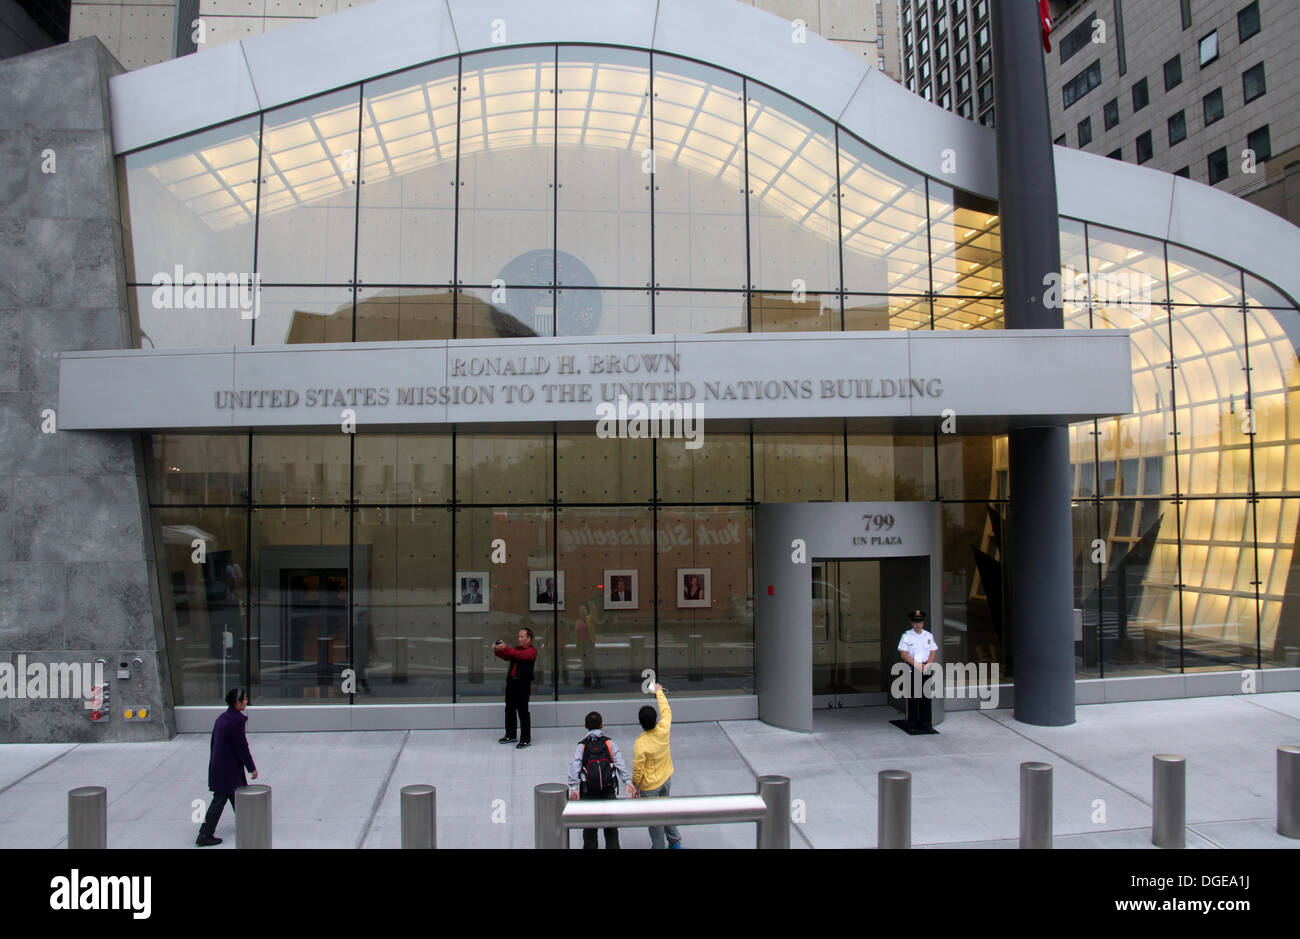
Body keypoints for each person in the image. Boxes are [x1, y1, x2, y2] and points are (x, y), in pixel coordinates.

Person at [196, 687, 257, 846]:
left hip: (220, 766)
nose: (246, 702)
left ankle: (246, 825)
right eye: (244, 700)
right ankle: (205, 834)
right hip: (228, 769)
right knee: (221, 799)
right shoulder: (235, 721)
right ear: (237, 703)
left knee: (236, 797)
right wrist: (251, 767)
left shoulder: (222, 718)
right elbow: (241, 747)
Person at [567, 711, 635, 849]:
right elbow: (619, 763)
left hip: (588, 792)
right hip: (608, 790)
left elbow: (575, 765)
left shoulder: (582, 746)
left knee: (590, 830)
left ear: (585, 726)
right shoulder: (609, 744)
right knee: (611, 829)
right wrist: (627, 782)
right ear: (602, 725)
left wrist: (574, 787)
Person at [633, 683, 682, 849]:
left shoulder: (640, 744)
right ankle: (675, 842)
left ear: (641, 723)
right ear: (655, 720)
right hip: (666, 778)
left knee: (655, 822)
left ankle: (658, 847)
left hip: (649, 788)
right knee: (667, 810)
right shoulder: (663, 729)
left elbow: (638, 770)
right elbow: (666, 711)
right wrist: (659, 692)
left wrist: (635, 786)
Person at [494, 627, 537, 749]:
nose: (519, 639)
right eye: (518, 636)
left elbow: (522, 655)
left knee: (523, 712)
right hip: (512, 683)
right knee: (509, 709)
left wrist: (506, 648)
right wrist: (498, 650)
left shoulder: (532, 651)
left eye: (521, 636)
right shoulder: (516, 649)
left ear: (528, 638)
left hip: (523, 684)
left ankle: (525, 739)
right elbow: (507, 655)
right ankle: (510, 735)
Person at [897, 609, 938, 731]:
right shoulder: (906, 636)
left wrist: (928, 664)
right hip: (913, 667)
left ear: (923, 623)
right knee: (913, 697)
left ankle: (926, 724)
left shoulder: (928, 635)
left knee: (926, 697)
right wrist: (916, 665)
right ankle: (912, 724)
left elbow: (933, 651)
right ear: (911, 623)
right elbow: (903, 654)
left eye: (919, 622)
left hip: (925, 667)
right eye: (915, 622)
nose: (917, 624)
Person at [575, 601, 601, 687]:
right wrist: (577, 645)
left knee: (591, 661)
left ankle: (597, 678)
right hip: (582, 643)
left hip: (589, 642)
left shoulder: (590, 619)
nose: (583, 611)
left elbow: (594, 614)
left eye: (584, 610)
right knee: (584, 662)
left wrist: (592, 605)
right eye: (581, 610)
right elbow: (577, 634)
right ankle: (587, 679)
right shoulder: (578, 622)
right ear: (579, 612)